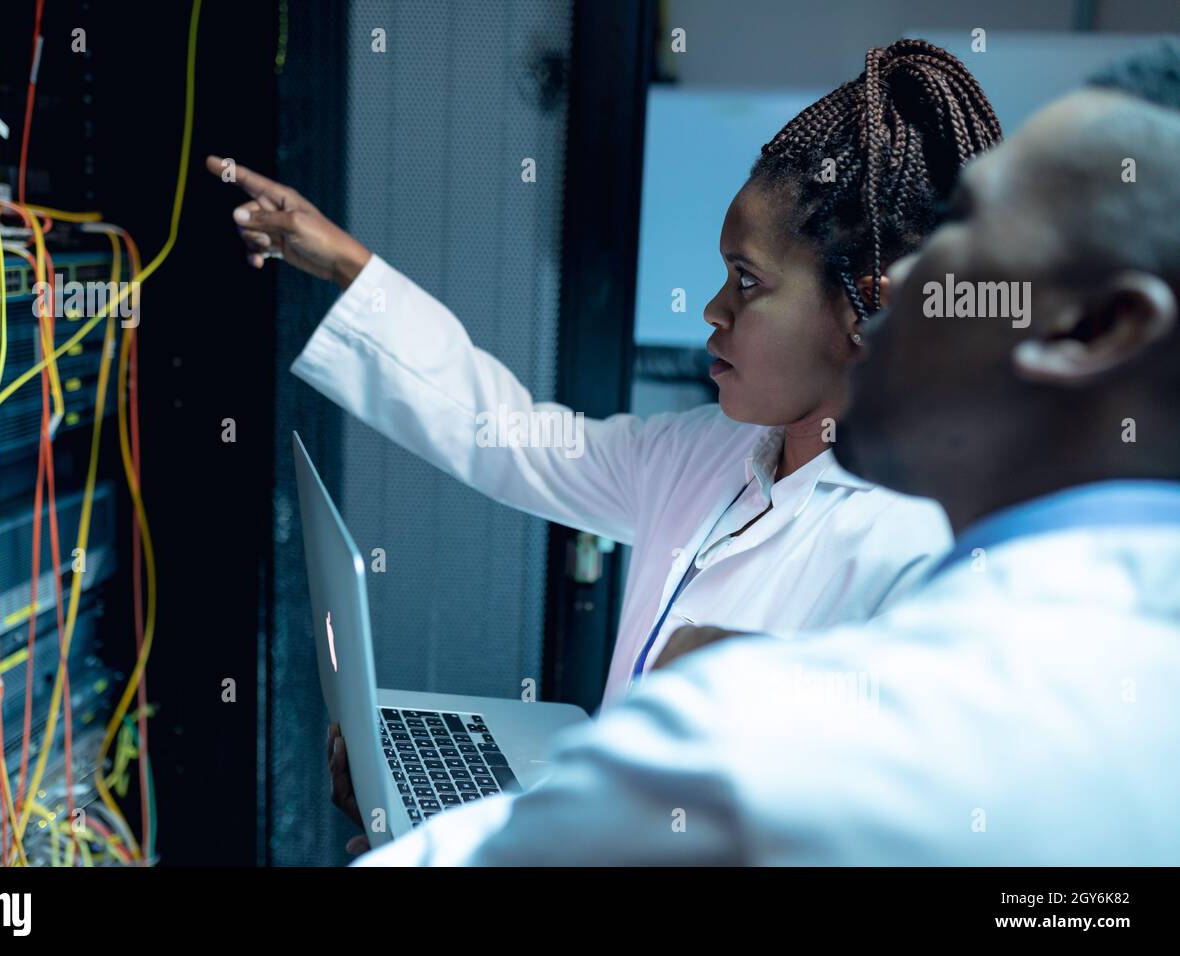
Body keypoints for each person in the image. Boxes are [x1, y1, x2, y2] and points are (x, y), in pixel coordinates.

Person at [348, 41, 1180, 866]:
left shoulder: (841, 698)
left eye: (969, 229)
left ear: (1093, 330)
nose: (894, 286)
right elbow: (510, 436)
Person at [209, 40, 999, 850]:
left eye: (748, 282)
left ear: (868, 312)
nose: (713, 310)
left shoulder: (926, 549)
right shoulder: (712, 452)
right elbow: (509, 439)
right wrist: (343, 263)